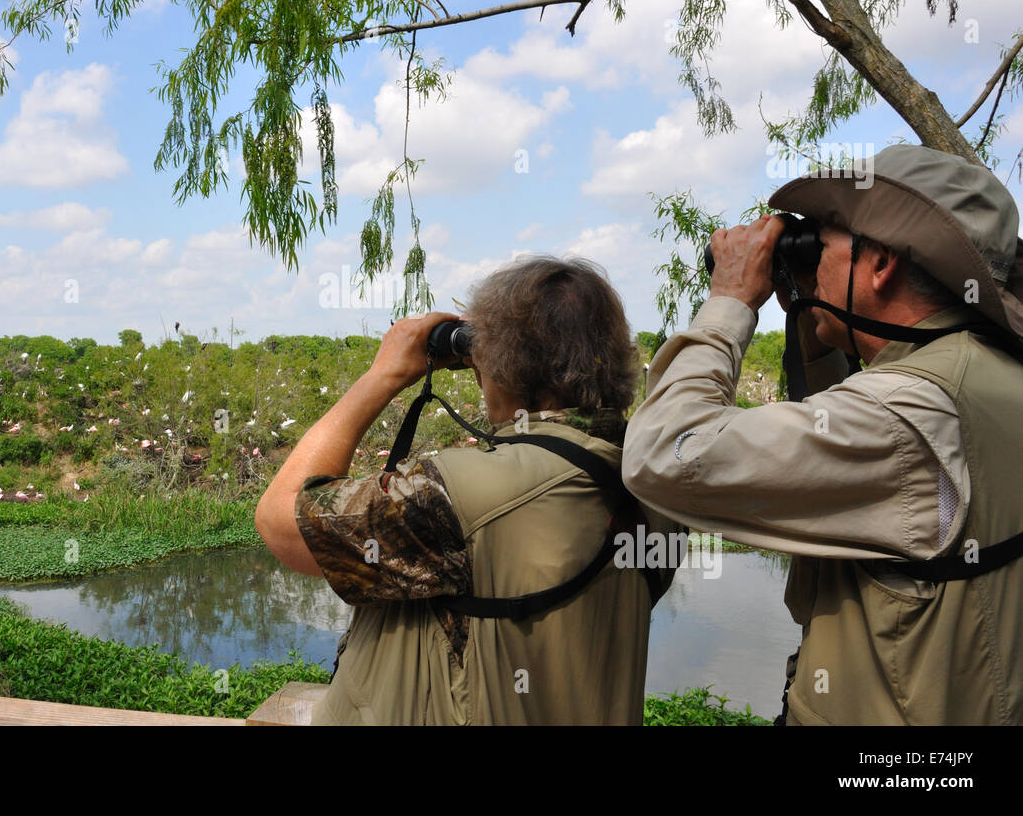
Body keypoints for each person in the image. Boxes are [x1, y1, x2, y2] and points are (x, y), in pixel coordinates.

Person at [621, 143, 1023, 725]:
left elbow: (666, 453)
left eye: (824, 243)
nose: (813, 258)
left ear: (880, 262)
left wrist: (730, 301)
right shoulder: (988, 371)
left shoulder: (907, 413)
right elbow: (838, 467)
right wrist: (812, 323)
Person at [255, 255, 678, 724]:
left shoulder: (460, 496)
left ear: (498, 364)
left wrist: (384, 375)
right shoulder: (657, 488)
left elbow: (280, 523)